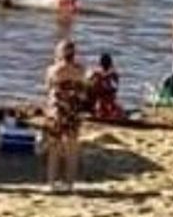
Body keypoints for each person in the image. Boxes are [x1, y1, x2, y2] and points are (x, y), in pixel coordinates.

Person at [44, 40, 85, 193]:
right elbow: (83, 91)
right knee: (72, 149)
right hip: (73, 111)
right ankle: (70, 183)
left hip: (56, 111)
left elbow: (48, 88)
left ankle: (51, 182)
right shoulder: (80, 70)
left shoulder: (53, 70)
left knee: (54, 148)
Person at [87, 53, 123, 121]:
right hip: (104, 99)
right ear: (110, 64)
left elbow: (87, 80)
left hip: (102, 99)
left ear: (100, 64)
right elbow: (115, 88)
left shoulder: (96, 73)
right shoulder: (112, 74)